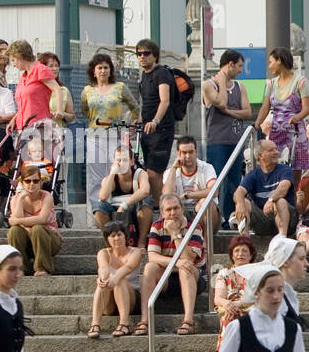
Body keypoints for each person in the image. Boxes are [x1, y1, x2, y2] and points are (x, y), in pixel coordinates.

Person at [137, 193, 204, 337]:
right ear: (162, 213)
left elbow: (189, 258)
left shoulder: (194, 226)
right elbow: (152, 256)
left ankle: (188, 321)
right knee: (150, 268)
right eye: (168, 210)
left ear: (182, 209)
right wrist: (177, 262)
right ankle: (145, 320)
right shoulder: (157, 226)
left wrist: (175, 234)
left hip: (194, 276)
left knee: (185, 268)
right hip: (167, 276)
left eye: (176, 208)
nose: (172, 213)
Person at [202, 49, 252, 228]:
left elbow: (247, 112)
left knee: (234, 181)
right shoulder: (208, 85)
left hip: (235, 141)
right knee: (218, 180)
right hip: (217, 141)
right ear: (229, 64)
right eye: (238, 66)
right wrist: (222, 81)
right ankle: (219, 218)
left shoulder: (240, 87)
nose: (240, 70)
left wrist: (230, 112)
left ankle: (232, 217)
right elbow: (220, 102)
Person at [80, 52, 140, 188]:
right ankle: (97, 205)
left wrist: (134, 121)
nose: (103, 71)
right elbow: (85, 110)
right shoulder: (87, 91)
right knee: (96, 175)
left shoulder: (120, 87)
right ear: (93, 71)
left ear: (110, 70)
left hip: (114, 136)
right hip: (94, 136)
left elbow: (134, 106)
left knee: (115, 171)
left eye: (106, 68)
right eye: (99, 68)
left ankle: (113, 202)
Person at [254, 47, 309, 177]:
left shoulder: (301, 82)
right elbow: (265, 107)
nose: (269, 67)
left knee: (295, 171)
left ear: (279, 61)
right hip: (276, 132)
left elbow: (307, 108)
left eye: (271, 62)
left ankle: (294, 196)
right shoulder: (271, 84)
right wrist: (257, 123)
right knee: (272, 166)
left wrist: (297, 117)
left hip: (295, 131)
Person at [88, 221, 143, 338]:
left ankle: (124, 324)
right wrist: (102, 279)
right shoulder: (103, 253)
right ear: (107, 239)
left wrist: (115, 278)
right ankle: (95, 324)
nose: (116, 238)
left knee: (120, 279)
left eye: (119, 235)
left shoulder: (135, 252)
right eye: (112, 236)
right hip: (110, 301)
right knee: (102, 283)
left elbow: (129, 267)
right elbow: (103, 268)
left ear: (125, 236)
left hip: (131, 297)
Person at [6, 164, 61, 276]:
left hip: (49, 239)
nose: (32, 184)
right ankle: (21, 268)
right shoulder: (15, 199)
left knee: (38, 228)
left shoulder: (46, 197)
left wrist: (18, 221)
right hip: (27, 240)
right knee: (14, 231)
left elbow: (42, 219)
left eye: (35, 181)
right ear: (22, 182)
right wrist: (21, 198)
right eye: (28, 181)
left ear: (41, 182)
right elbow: (17, 217)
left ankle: (43, 268)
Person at [233, 139, 295, 238]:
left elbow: (283, 187)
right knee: (243, 202)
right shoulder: (253, 175)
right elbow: (239, 191)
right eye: (271, 150)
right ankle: (245, 240)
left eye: (276, 149)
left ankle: (282, 239)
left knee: (280, 201)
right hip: (263, 221)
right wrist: (240, 204)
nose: (276, 152)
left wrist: (271, 200)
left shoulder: (285, 169)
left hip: (288, 221)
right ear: (260, 155)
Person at [136, 38, 175, 195]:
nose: (142, 56)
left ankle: (159, 209)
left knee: (154, 173)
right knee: (148, 171)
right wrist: (143, 120)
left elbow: (164, 101)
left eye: (146, 53)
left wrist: (155, 121)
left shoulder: (162, 74)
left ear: (155, 55)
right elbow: (148, 103)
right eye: (139, 53)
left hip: (162, 130)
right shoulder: (144, 76)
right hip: (148, 130)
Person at [93, 144, 154, 242]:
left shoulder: (140, 174)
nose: (121, 163)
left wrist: (124, 205)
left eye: (125, 160)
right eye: (118, 160)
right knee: (99, 207)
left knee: (146, 202)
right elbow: (103, 197)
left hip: (135, 208)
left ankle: (142, 242)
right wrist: (112, 173)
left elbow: (145, 191)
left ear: (131, 161)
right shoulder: (110, 178)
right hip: (114, 209)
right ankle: (109, 242)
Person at [7, 41, 56, 157]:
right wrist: (15, 118)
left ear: (20, 57)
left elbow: (57, 89)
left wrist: (58, 110)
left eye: (13, 60)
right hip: (23, 127)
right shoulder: (23, 77)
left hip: (37, 126)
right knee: (25, 165)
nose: (13, 65)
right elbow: (24, 104)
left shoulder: (40, 70)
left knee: (37, 163)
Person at [163, 135, 218, 228]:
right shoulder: (171, 172)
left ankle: (206, 241)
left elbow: (214, 191)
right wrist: (174, 168)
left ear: (196, 152)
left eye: (191, 152)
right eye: (184, 152)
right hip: (181, 213)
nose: (188, 156)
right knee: (171, 207)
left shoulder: (207, 168)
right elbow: (167, 195)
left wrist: (187, 195)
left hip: (208, 216)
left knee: (204, 202)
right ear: (178, 154)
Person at [37, 52, 75, 128]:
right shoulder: (36, 90)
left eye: (56, 66)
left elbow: (72, 116)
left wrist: (62, 114)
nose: (55, 69)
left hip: (58, 133)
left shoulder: (64, 90)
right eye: (51, 66)